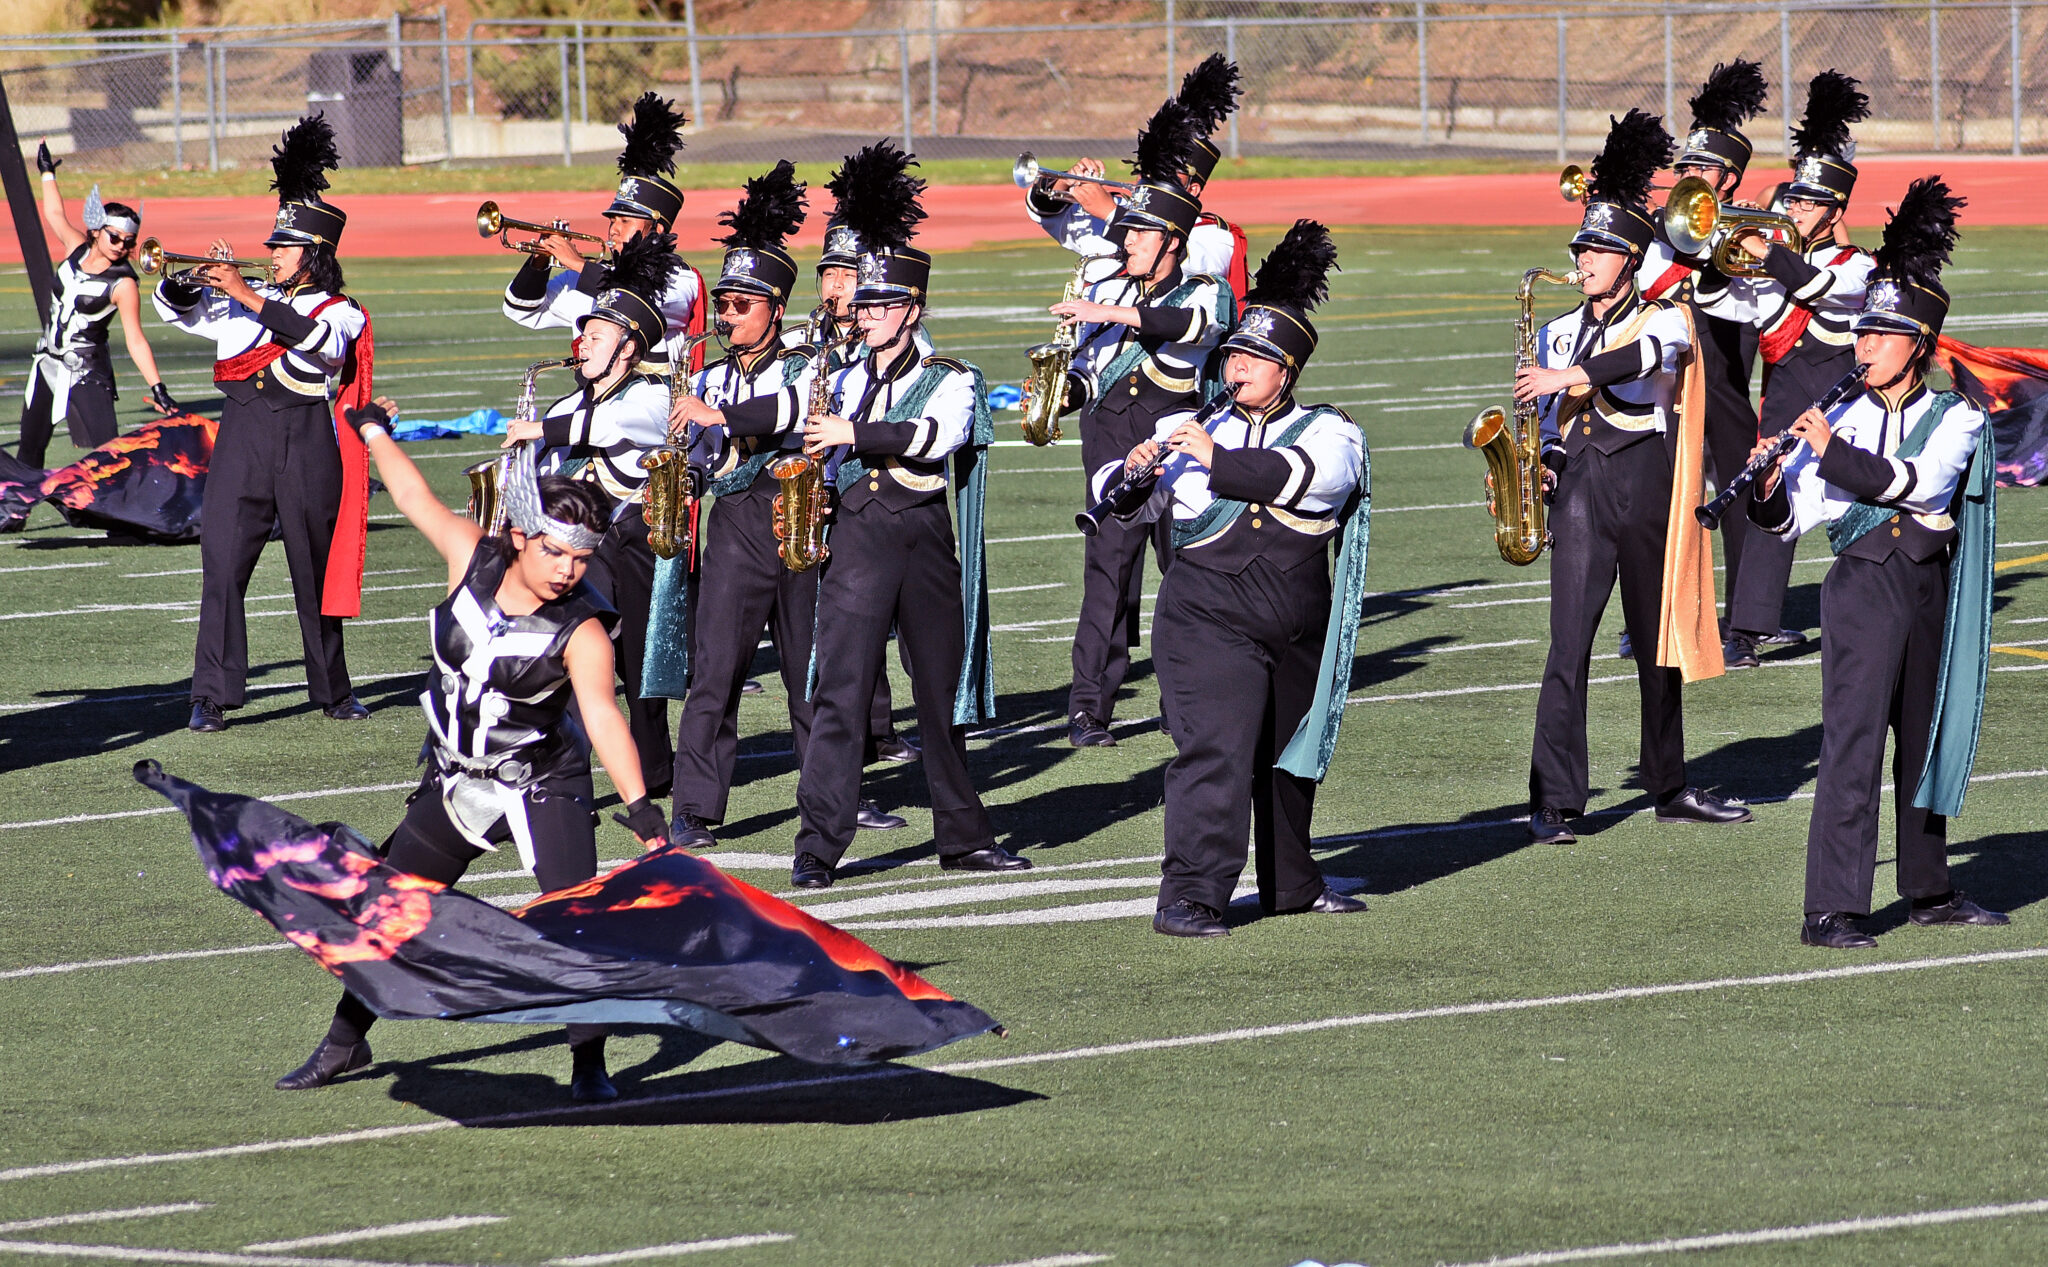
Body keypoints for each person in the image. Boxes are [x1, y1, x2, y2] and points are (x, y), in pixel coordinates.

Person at [272, 395, 666, 1101]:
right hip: (457, 778)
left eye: (581, 558)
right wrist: (371, 429)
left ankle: (589, 1063)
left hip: (541, 780)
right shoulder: (469, 556)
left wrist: (641, 810)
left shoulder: (583, 629)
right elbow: (411, 494)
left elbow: (604, 716)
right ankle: (344, 1042)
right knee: (391, 907)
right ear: (519, 535)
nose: (567, 570)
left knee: (571, 924)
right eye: (554, 551)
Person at [1745, 177, 2006, 948]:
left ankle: (1929, 889)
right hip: (1861, 587)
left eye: (1880, 335)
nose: (1862, 346)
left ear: (1918, 344)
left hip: (1928, 586)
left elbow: (1920, 484)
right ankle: (1831, 908)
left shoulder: (1956, 416)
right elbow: (1795, 515)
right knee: (1853, 743)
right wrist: (1767, 483)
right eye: (1860, 333)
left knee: (1923, 740)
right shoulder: (1842, 413)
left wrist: (1833, 453)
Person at [1093, 222, 1369, 938]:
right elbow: (1115, 499)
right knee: (1215, 748)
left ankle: (1291, 885)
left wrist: (1214, 458)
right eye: (1234, 356)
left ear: (1288, 371)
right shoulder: (1188, 426)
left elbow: (1312, 481)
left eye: (1255, 359)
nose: (1237, 368)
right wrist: (1135, 473)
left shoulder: (1329, 429)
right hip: (1205, 618)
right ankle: (1190, 895)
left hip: (1296, 617)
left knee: (1289, 759)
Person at [785, 141, 1027, 889]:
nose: (867, 316)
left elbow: (935, 437)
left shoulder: (953, 378)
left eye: (882, 306)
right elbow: (801, 422)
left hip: (922, 537)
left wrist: (852, 433)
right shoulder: (839, 372)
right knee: (841, 693)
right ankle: (817, 845)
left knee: (939, 696)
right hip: (857, 537)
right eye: (864, 305)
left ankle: (963, 837)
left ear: (913, 310)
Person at [1513, 109, 1749, 845]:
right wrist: (1545, 465)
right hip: (1581, 492)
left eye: (1598, 250)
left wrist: (1569, 374)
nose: (1583, 259)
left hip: (1648, 487)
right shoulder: (1554, 330)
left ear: (1630, 260)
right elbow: (1551, 422)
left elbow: (1642, 360)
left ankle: (1668, 784)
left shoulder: (1667, 317)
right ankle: (1555, 799)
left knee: (1657, 645)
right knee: (1568, 646)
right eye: (1581, 247)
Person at [655, 161, 906, 848]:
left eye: (742, 305)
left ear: (774, 307)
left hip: (801, 519)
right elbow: (699, 450)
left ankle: (838, 796)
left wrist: (719, 416)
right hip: (736, 527)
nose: (727, 315)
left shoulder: (809, 363)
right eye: (724, 304)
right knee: (715, 673)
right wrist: (687, 465)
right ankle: (694, 809)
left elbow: (793, 408)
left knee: (814, 676)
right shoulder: (706, 374)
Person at [157, 116, 373, 734]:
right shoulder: (244, 295)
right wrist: (189, 277)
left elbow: (323, 345)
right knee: (222, 567)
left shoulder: (342, 310)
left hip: (306, 441)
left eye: (285, 247)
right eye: (273, 246)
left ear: (315, 254)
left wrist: (247, 295)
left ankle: (332, 690)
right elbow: (177, 311)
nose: (272, 254)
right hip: (242, 439)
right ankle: (211, 694)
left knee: (312, 570)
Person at [1050, 99, 1233, 749]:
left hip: (1176, 438)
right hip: (1109, 433)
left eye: (1140, 233)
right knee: (1108, 572)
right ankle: (1087, 707)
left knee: (1184, 572)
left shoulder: (1205, 273)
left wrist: (1114, 312)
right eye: (1127, 232)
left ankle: (1184, 698)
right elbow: (1092, 368)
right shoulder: (1111, 275)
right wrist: (1059, 393)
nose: (1127, 239)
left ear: (1172, 239)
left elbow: (1193, 323)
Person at [1703, 71, 1875, 667]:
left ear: (1834, 212)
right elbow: (1720, 303)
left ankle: (1882, 601)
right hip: (1784, 391)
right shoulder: (1767, 265)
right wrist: (1720, 254)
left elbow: (1819, 287)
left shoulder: (1856, 264)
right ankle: (1746, 630)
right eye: (1794, 200)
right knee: (1766, 489)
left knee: (1864, 495)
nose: (1796, 209)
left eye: (1809, 203)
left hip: (1845, 394)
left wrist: (1765, 250)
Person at [503, 232, 677, 796]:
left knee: (640, 673)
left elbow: (611, 426)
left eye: (596, 336)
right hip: (576, 557)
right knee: (565, 663)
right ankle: (566, 780)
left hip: (634, 548)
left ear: (628, 348)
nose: (581, 343)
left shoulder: (651, 395)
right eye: (582, 333)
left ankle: (654, 774)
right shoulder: (566, 403)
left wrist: (540, 429)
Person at [1631, 61, 1771, 668]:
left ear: (1729, 178)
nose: (1688, 176)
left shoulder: (1748, 232)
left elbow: (1754, 304)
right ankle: (1653, 616)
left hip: (1721, 371)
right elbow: (1642, 285)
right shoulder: (1663, 229)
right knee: (1657, 493)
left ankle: (1742, 626)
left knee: (1735, 492)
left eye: (1701, 168)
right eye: (1684, 167)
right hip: (1662, 374)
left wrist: (1717, 246)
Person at [502, 92, 704, 382]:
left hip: (652, 399)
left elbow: (638, 299)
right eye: (612, 220)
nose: (614, 229)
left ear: (657, 229)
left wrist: (578, 264)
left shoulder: (680, 279)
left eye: (626, 221)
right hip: (592, 399)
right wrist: (539, 262)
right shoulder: (587, 277)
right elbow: (520, 310)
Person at [18, 142, 178, 468]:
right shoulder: (76, 247)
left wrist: (157, 387)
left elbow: (135, 339)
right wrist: (47, 173)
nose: (121, 246)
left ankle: (117, 504)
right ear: (96, 231)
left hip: (87, 371)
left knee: (109, 457)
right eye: (114, 237)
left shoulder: (123, 283)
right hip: (47, 363)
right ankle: (18, 502)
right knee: (29, 449)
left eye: (128, 242)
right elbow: (54, 214)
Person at [1022, 55, 1247, 287]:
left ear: (1193, 189)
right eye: (1150, 166)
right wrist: (1065, 182)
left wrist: (1111, 214)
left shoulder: (1215, 236)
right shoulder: (1119, 207)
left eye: (1168, 171)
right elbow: (1043, 213)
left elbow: (1177, 259)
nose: (1155, 175)